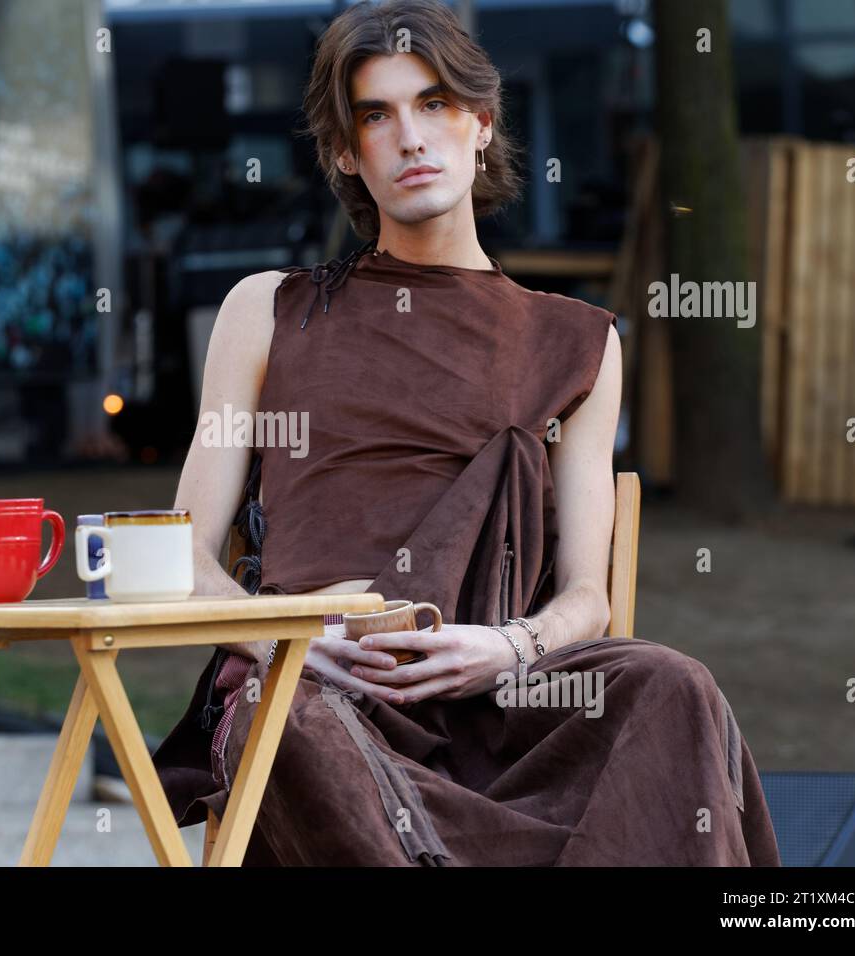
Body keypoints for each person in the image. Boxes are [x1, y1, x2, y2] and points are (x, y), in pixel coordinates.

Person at [150, 0, 780, 866]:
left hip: (499, 696)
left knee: (673, 685)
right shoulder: (266, 309)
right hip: (318, 691)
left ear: (482, 124)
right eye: (377, 115)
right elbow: (181, 559)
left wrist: (504, 649)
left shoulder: (581, 340)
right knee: (285, 719)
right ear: (345, 151)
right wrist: (288, 639)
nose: (411, 138)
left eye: (436, 104)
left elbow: (585, 599)